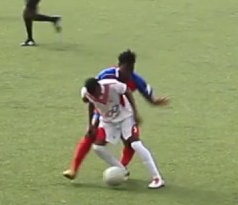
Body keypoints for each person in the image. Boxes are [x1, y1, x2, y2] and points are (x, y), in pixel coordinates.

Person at [66, 50, 169, 180]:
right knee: (91, 136)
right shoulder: (105, 76)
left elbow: (146, 93)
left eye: (131, 69)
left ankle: (122, 169)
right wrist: (94, 122)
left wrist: (154, 101)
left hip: (125, 113)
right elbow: (95, 98)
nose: (129, 73)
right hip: (105, 113)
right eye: (126, 69)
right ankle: (73, 169)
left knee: (131, 143)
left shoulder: (135, 79)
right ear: (118, 65)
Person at [81, 76, 166, 189]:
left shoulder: (111, 85)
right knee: (98, 147)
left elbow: (127, 91)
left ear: (98, 87)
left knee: (135, 144)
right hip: (108, 121)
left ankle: (157, 178)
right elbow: (92, 105)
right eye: (92, 95)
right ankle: (122, 170)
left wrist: (135, 113)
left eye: (96, 93)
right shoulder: (87, 93)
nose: (95, 96)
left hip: (126, 117)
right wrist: (91, 125)